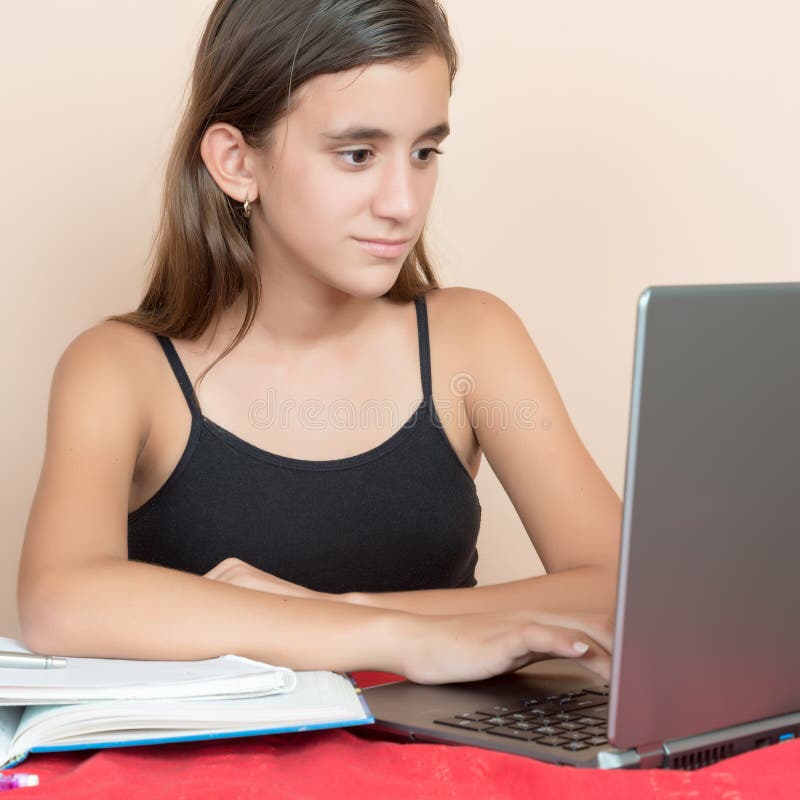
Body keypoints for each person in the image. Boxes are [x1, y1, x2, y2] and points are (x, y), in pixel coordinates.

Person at [17, 0, 621, 686]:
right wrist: (398, 640)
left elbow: (619, 587)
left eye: (424, 152)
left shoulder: (475, 340)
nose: (403, 201)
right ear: (236, 162)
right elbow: (58, 601)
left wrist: (343, 614)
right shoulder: (119, 370)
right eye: (358, 154)